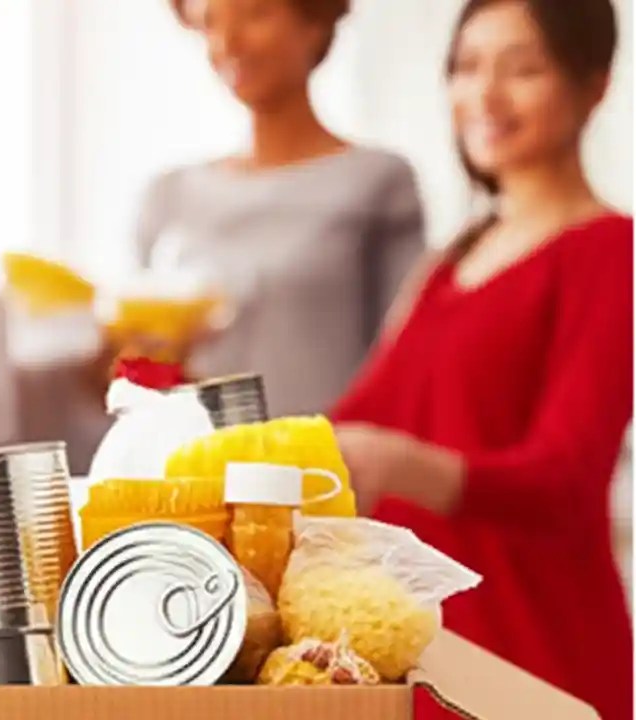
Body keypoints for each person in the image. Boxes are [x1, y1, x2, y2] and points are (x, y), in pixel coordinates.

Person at [330, 1, 630, 717]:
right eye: (466, 68)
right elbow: (347, 427)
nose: (485, 96)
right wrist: (181, 397)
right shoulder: (447, 265)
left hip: (539, 656)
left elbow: (565, 480)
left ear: (594, 86)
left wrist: (401, 465)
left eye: (522, 69)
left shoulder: (616, 254)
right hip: (426, 655)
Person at [133, 0, 427, 415]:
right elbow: (137, 377)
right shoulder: (168, 194)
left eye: (254, 15)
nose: (228, 42)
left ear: (314, 24)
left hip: (326, 465)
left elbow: (406, 363)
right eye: (210, 22)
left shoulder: (377, 182)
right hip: (197, 469)